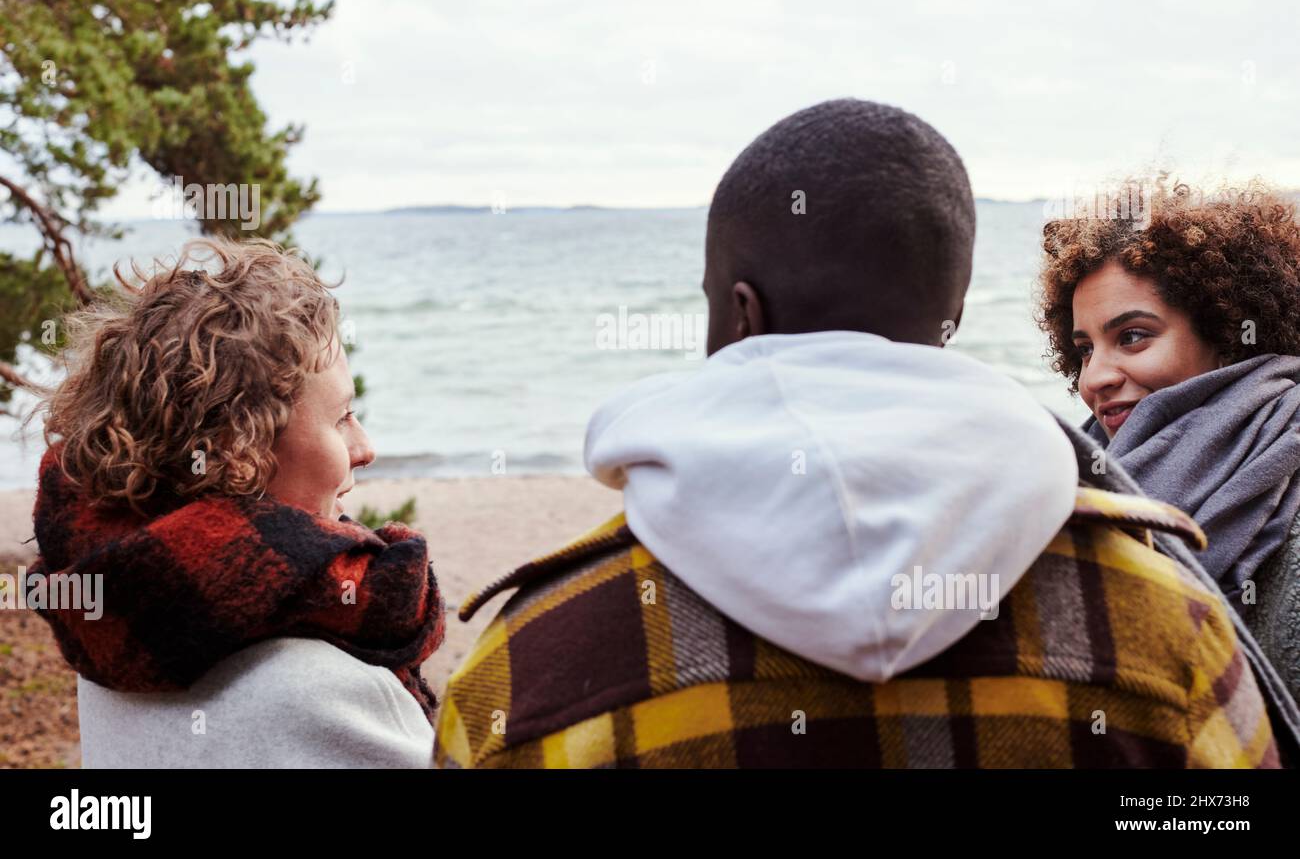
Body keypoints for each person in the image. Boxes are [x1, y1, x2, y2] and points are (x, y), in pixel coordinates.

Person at [434, 100, 1295, 768]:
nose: (1097, 372)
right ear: (952, 317)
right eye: (1082, 348)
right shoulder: (1168, 631)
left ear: (741, 313)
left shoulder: (526, 665)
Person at [30, 238, 444, 767]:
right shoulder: (326, 692)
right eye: (341, 417)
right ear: (238, 450)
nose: (364, 449)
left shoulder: (115, 626)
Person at [1039, 180, 1300, 703]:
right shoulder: (1085, 480)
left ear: (1228, 337)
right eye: (1084, 349)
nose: (1093, 379)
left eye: (1132, 336)